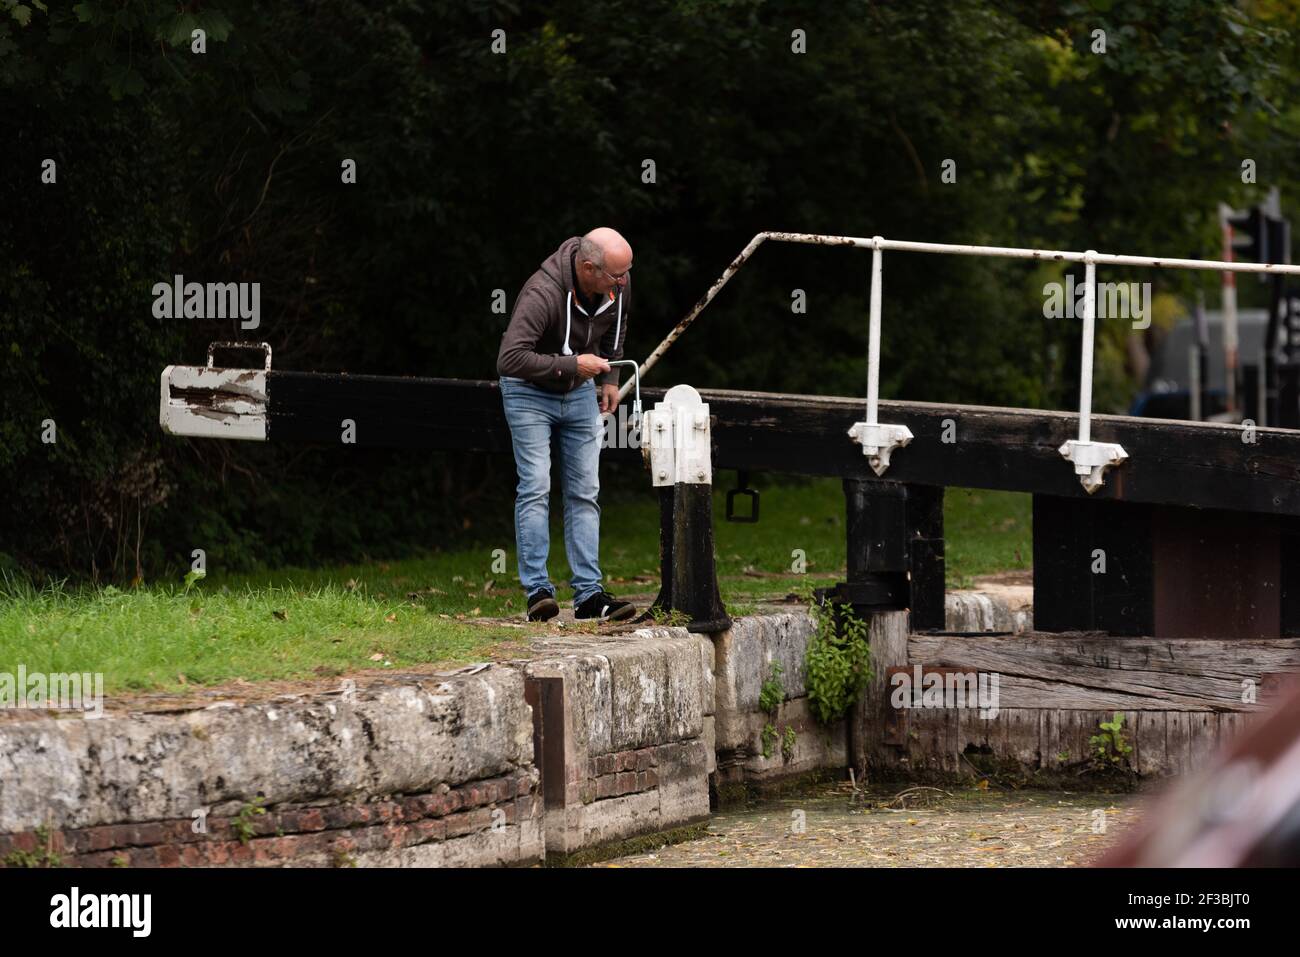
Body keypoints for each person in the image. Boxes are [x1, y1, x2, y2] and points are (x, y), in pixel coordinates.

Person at [496, 227, 638, 623]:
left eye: (627, 272)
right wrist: (575, 364)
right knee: (537, 484)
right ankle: (538, 591)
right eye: (615, 275)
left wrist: (609, 379)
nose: (624, 281)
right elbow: (510, 359)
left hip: (578, 391)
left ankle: (590, 596)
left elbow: (617, 327)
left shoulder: (616, 281)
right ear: (588, 267)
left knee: (585, 491)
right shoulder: (542, 293)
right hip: (528, 391)